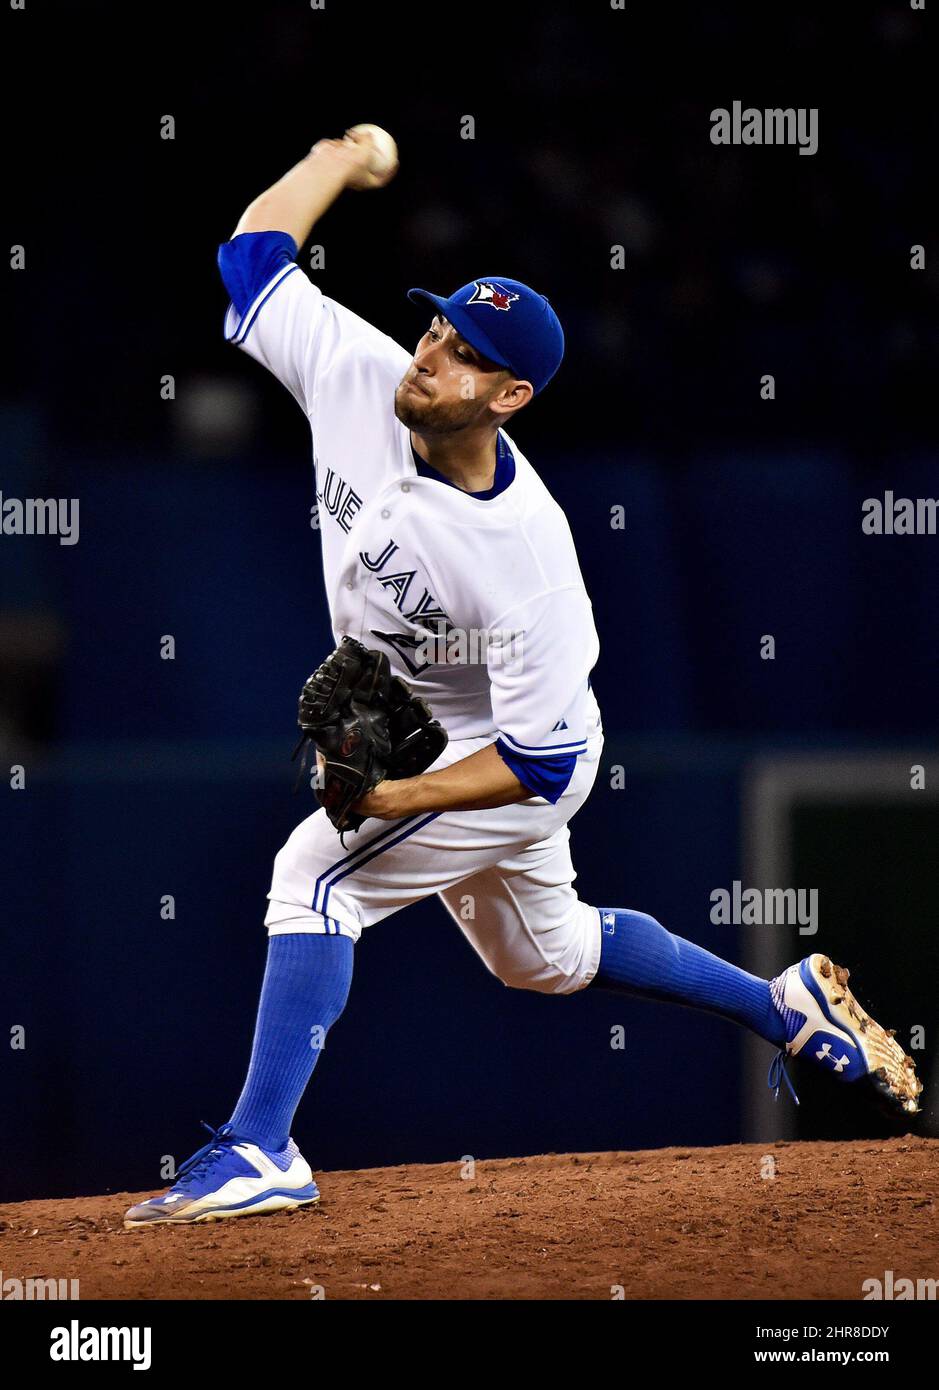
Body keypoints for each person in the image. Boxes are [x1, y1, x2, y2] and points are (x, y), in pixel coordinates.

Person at [125, 129, 921, 1227]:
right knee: (545, 958)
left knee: (315, 874)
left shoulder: (530, 558)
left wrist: (396, 796)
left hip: (508, 751)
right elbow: (252, 262)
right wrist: (335, 159)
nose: (428, 354)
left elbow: (540, 763)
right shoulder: (362, 373)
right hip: (434, 719)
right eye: (435, 327)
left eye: (460, 353)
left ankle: (262, 1145)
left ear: (509, 396)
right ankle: (782, 1006)